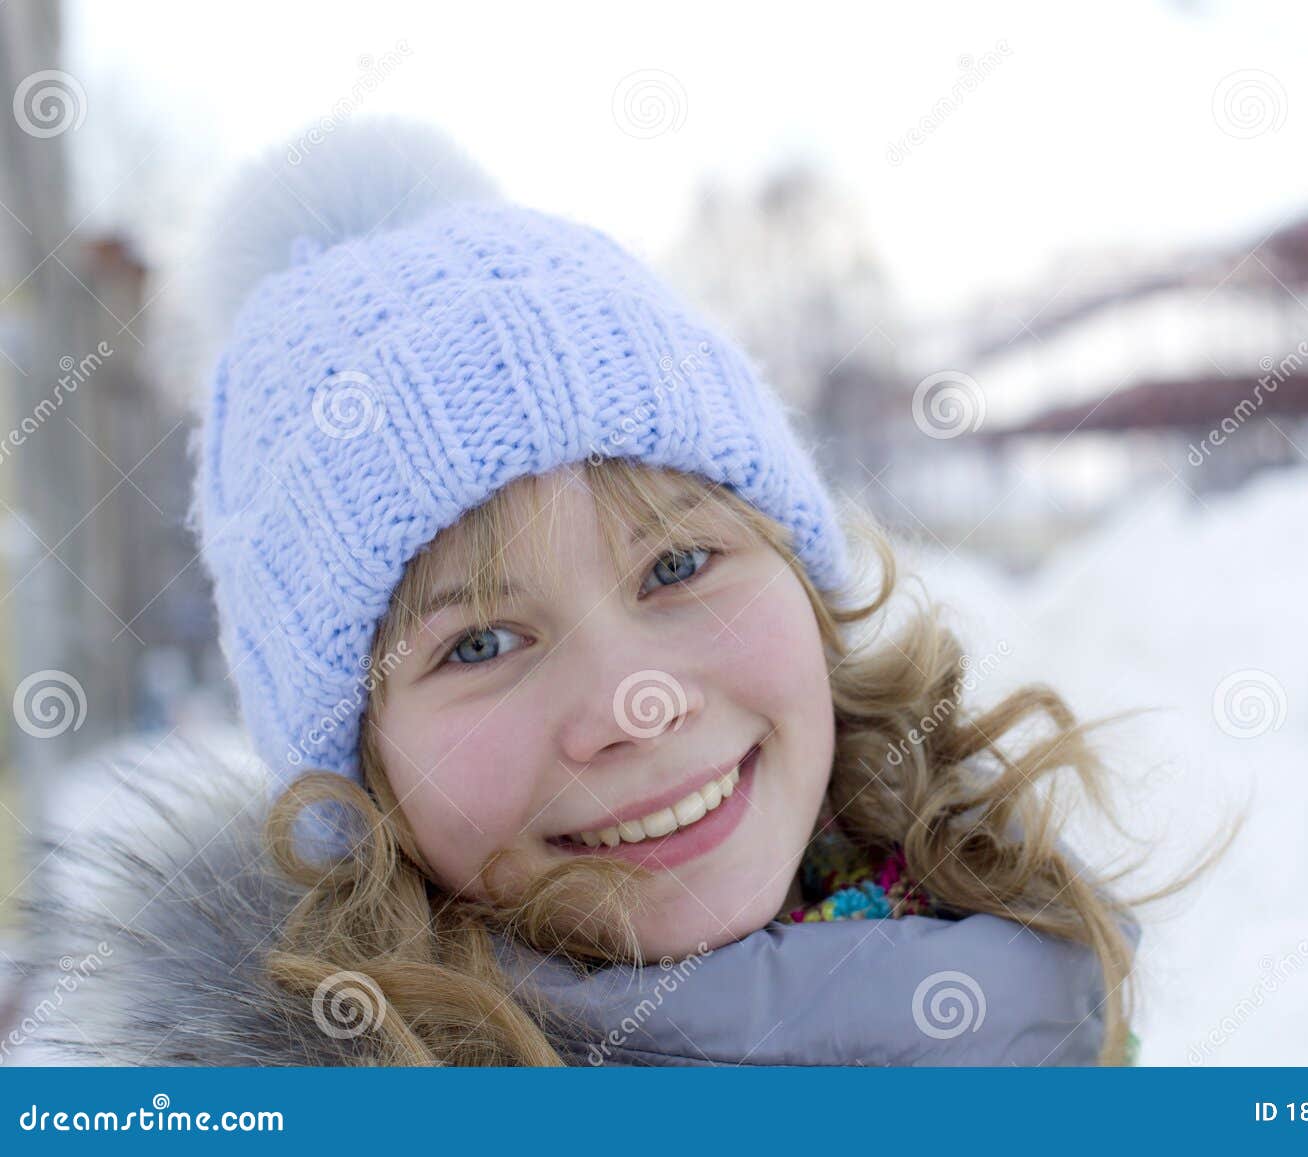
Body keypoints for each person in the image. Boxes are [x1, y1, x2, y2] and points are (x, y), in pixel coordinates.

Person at [3, 118, 1227, 1067]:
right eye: (480, 642)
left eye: (677, 566)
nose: (633, 702)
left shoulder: (1022, 968)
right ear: (357, 783)